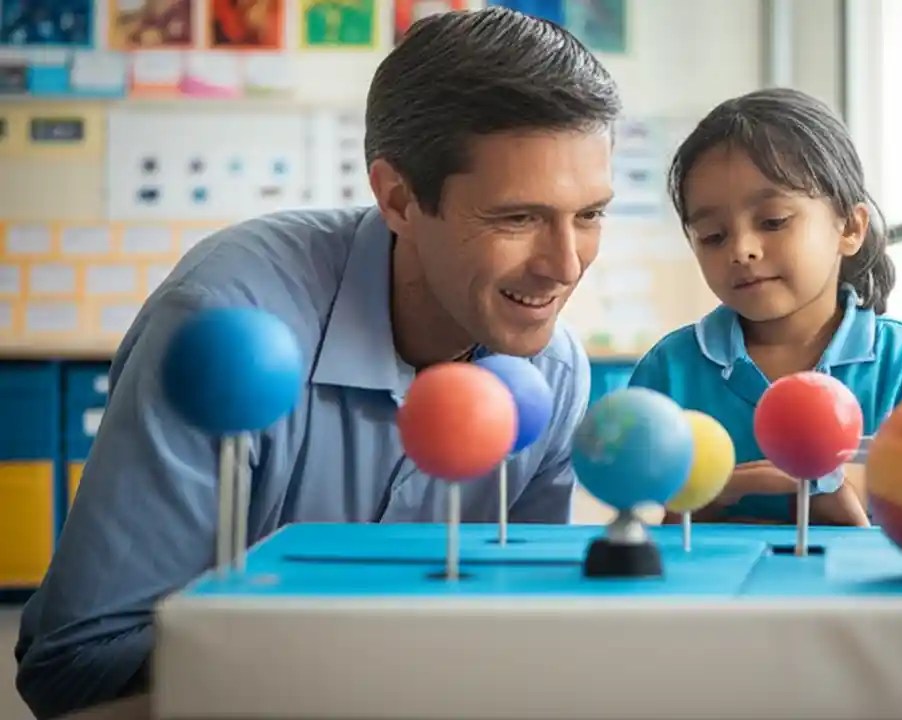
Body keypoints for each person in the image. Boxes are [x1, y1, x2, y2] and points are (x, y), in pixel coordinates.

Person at [14, 7, 619, 719]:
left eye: (589, 214)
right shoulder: (228, 324)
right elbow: (76, 669)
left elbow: (521, 632)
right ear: (399, 199)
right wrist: (362, 668)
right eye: (518, 217)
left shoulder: (553, 374)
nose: (565, 265)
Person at [628, 88, 902, 526]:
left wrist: (846, 506)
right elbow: (639, 519)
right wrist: (704, 499)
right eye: (713, 236)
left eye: (773, 222)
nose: (742, 250)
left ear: (850, 227)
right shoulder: (669, 370)